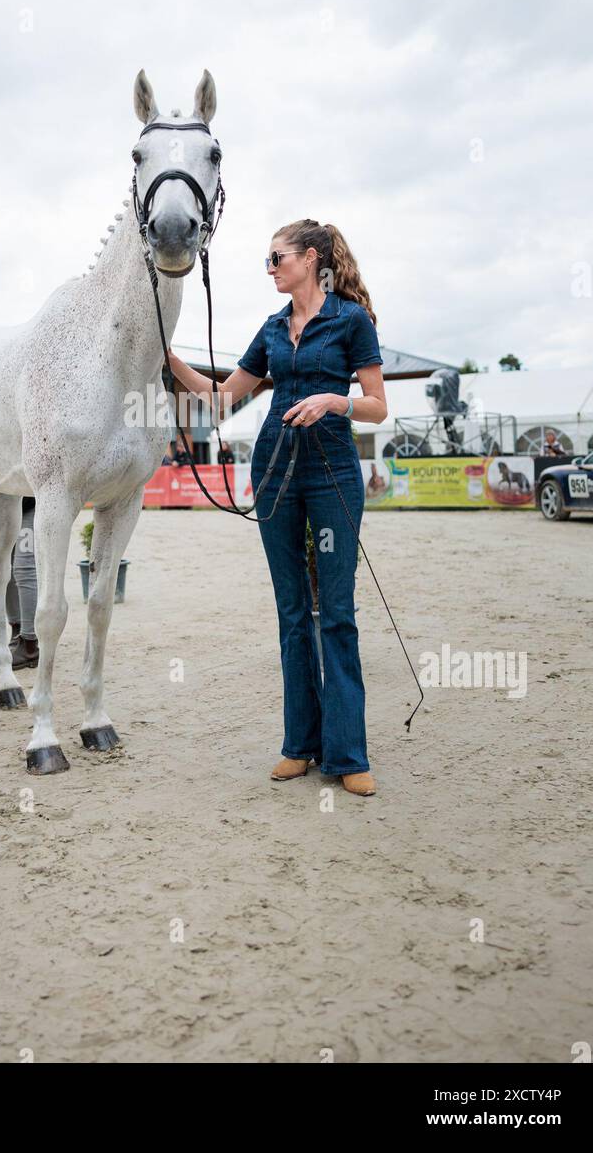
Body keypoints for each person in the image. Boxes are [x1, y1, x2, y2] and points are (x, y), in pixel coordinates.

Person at [168, 219, 387, 798]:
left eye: (277, 258)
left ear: (311, 259)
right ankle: (300, 745)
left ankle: (348, 753)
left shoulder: (350, 319)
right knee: (292, 611)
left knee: (335, 612)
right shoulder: (270, 328)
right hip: (273, 473)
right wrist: (166, 355)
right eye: (268, 261)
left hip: (333, 472)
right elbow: (219, 397)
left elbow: (377, 407)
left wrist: (335, 400)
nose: (270, 268)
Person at [5, 497, 39, 668]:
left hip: (33, 500)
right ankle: (17, 630)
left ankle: (30, 644)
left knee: (24, 567)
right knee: (4, 568)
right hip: (6, 500)